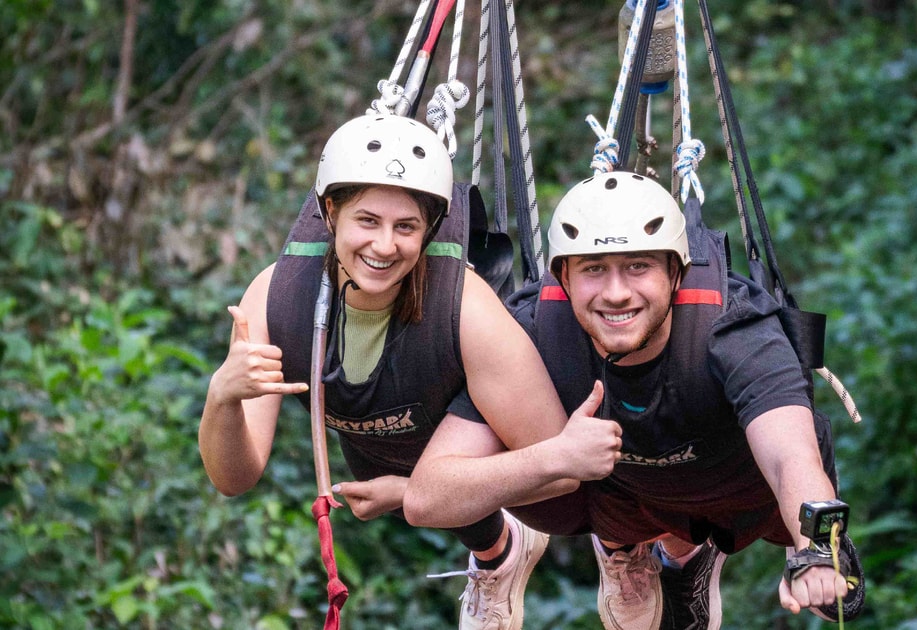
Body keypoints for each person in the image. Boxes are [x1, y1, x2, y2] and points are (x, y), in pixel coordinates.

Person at [198, 114, 622, 630]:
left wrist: (412, 492)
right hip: (379, 434)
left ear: (429, 231)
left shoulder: (467, 310)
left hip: (470, 425)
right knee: (386, 456)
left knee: (435, 480)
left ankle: (624, 544)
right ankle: (496, 553)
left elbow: (560, 470)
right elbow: (234, 477)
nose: (384, 246)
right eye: (367, 221)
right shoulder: (278, 298)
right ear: (331, 213)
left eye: (406, 227)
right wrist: (223, 396)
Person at [405, 171, 865, 629]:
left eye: (638, 266)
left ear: (676, 272)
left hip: (738, 487)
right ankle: (631, 549)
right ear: (562, 276)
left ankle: (690, 556)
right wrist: (555, 457)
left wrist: (818, 548)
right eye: (593, 269)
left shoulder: (733, 327)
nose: (616, 293)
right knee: (541, 476)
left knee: (798, 502)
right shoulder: (534, 332)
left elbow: (791, 457)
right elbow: (427, 498)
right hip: (624, 498)